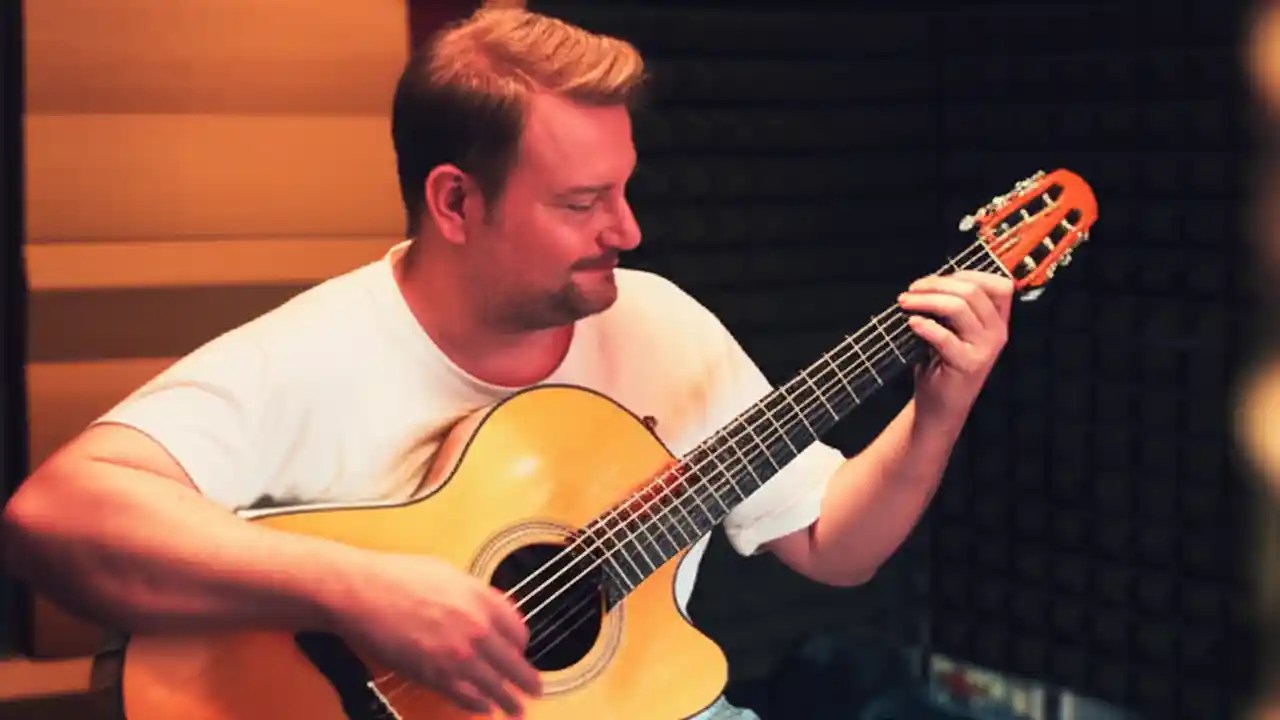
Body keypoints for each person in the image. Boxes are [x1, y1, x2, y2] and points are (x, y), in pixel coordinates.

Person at [0, 6, 1012, 719]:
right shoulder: (313, 354)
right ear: (453, 203)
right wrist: (359, 592)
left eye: (623, 188)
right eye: (581, 202)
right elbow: (56, 519)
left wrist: (938, 406)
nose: (627, 227)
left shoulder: (659, 323)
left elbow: (834, 546)